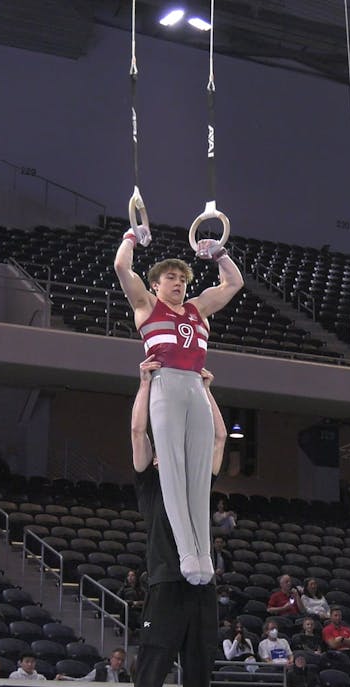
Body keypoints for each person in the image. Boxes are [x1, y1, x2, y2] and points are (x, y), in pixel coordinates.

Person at [113, 225, 243, 585]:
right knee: (170, 467)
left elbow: (234, 283)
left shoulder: (198, 308)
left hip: (196, 386)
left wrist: (219, 253)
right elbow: (122, 267)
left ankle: (204, 556)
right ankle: (187, 553)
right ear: (155, 284)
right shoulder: (146, 305)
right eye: (171, 278)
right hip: (165, 384)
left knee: (199, 474)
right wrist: (131, 237)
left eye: (183, 279)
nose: (179, 284)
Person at [129, 358, 227, 687]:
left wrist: (204, 390)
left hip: (202, 590)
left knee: (199, 679)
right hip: (167, 584)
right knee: (151, 673)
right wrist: (145, 384)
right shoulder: (150, 483)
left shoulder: (197, 481)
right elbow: (138, 431)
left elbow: (219, 438)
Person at [60, 649, 132, 682]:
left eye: (122, 660)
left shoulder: (124, 676)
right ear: (111, 659)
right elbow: (82, 681)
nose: (120, 662)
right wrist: (64, 678)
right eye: (118, 659)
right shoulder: (99, 672)